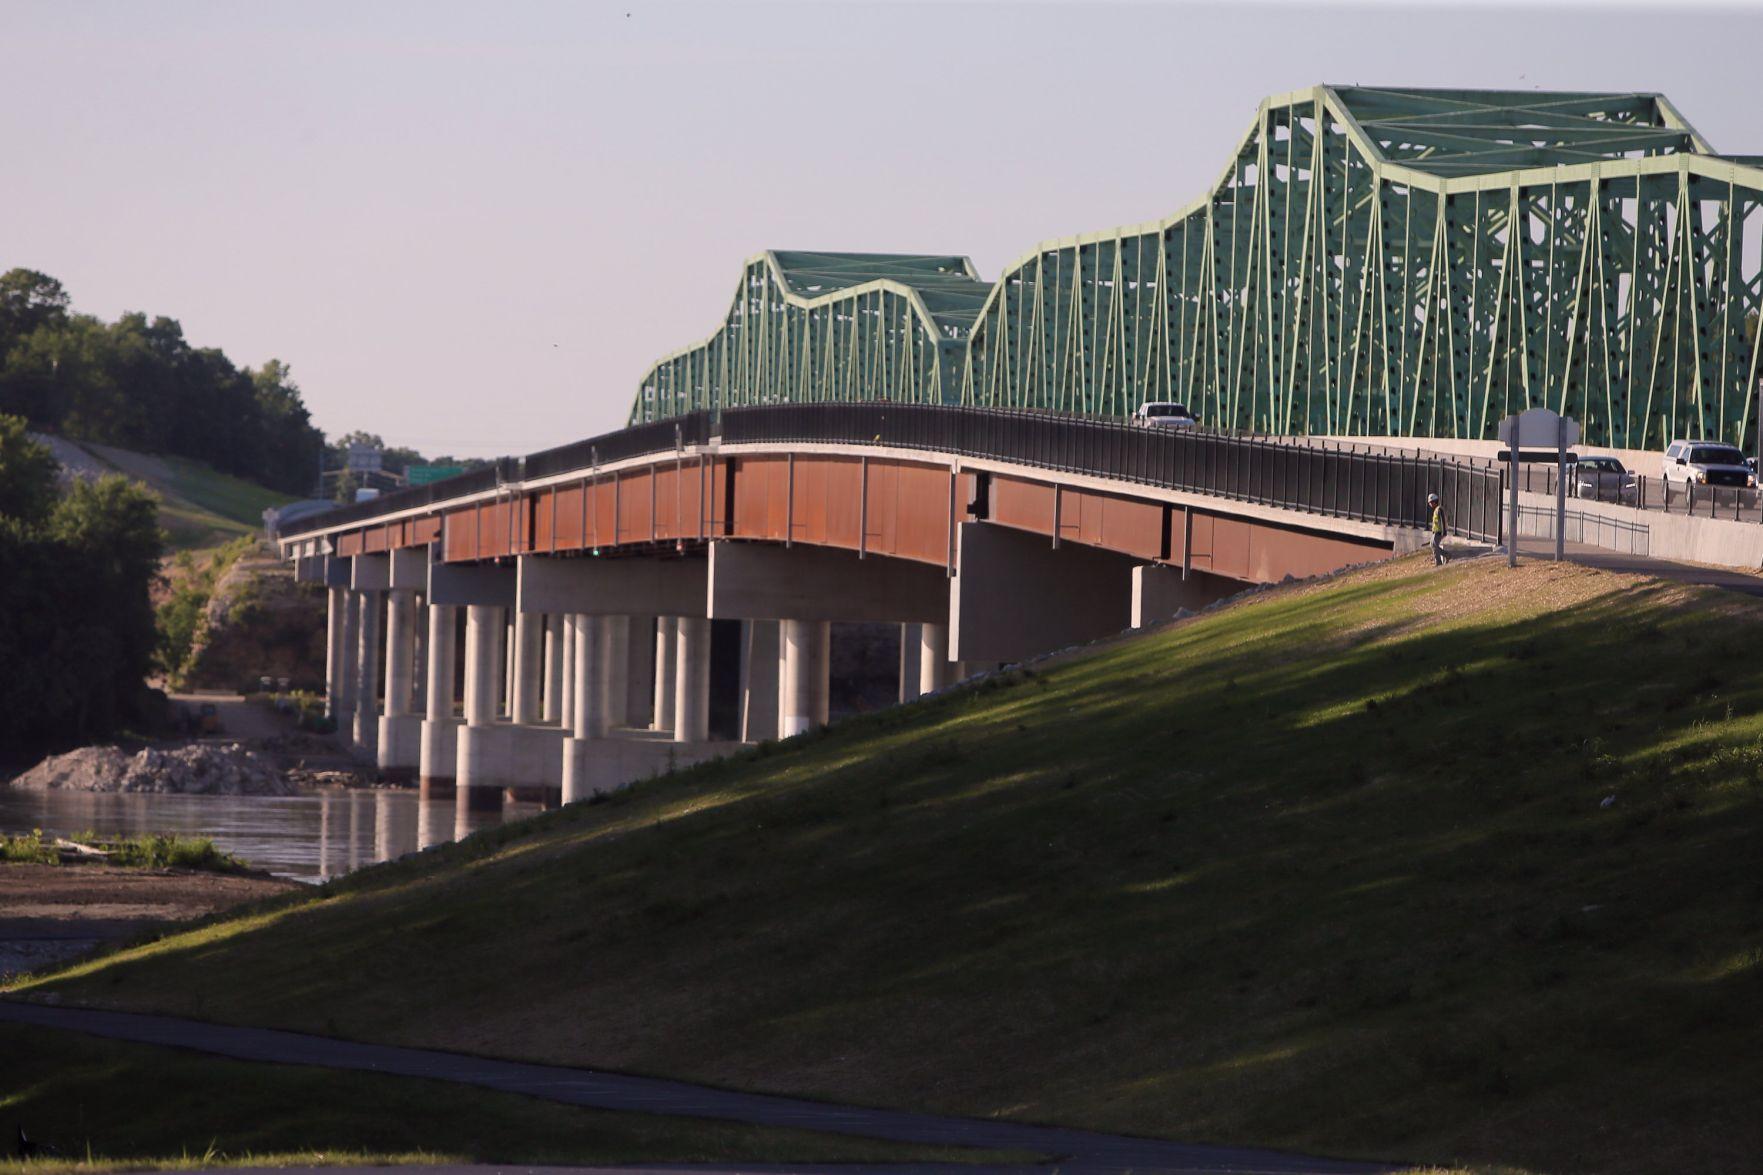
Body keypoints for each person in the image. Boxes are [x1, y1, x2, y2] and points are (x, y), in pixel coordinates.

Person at [1428, 492, 1448, 566]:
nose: (1430, 504)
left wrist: (1444, 531)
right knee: (1432, 545)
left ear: (1434, 502)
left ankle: (1439, 561)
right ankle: (1445, 556)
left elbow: (1442, 521)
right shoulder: (1436, 510)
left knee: (1434, 546)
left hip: (1440, 531)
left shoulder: (1439, 509)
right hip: (1436, 531)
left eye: (1430, 502)